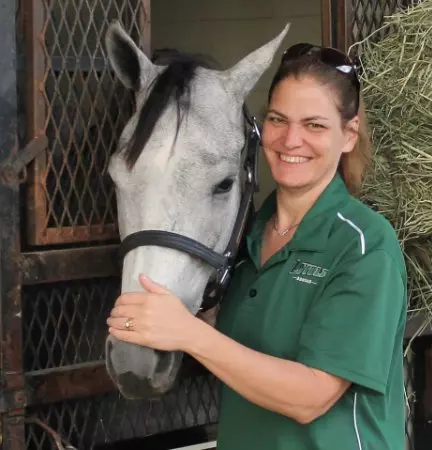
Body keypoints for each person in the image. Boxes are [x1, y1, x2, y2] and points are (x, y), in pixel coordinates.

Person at [107, 43, 407, 450]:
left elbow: (311, 396)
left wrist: (190, 333)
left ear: (348, 135)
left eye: (315, 125)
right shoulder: (243, 242)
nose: (291, 139)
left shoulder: (365, 245)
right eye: (278, 119)